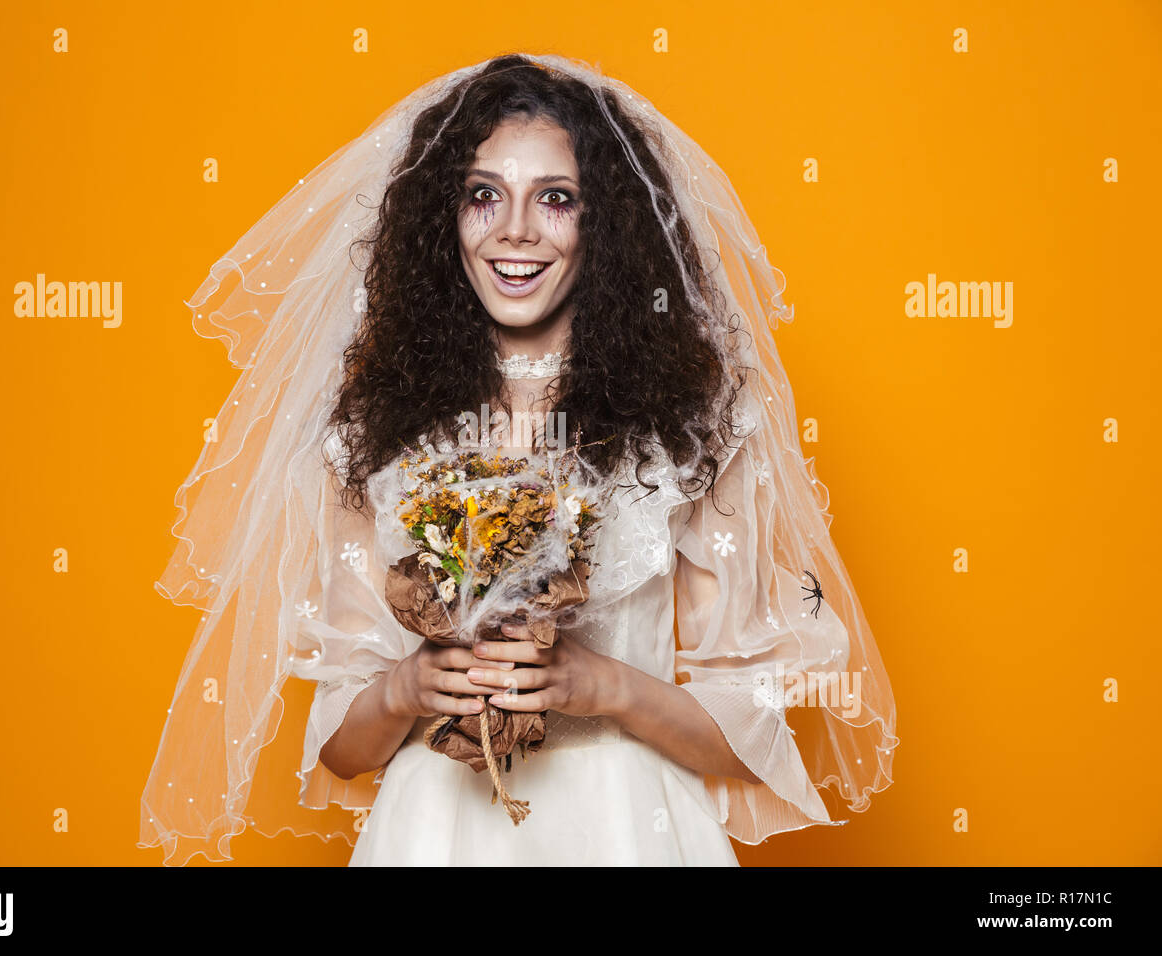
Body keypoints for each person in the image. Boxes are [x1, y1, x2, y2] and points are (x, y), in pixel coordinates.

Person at [139, 53, 898, 867]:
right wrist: (406, 687)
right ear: (444, 218)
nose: (516, 231)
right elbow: (341, 750)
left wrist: (602, 687)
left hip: (629, 834)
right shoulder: (376, 433)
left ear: (606, 227)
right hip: (434, 835)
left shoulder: (689, 427)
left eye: (557, 199)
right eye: (483, 195)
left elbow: (748, 739)